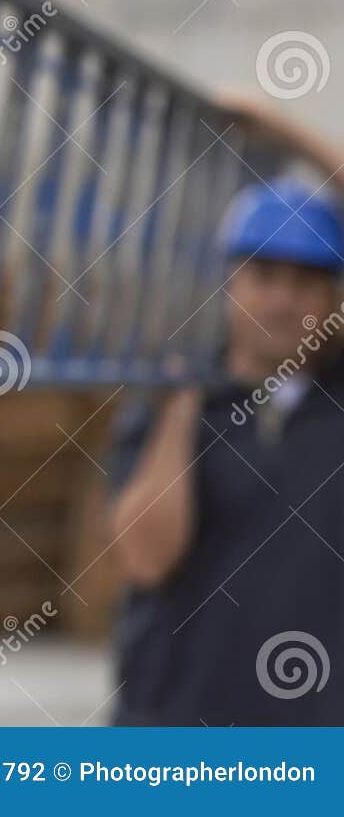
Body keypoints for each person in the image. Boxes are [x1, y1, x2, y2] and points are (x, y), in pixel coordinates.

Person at [106, 95, 344, 725]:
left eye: (306, 280)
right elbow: (146, 559)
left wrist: (289, 132)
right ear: (231, 283)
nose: (282, 299)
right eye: (264, 275)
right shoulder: (173, 403)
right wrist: (184, 410)